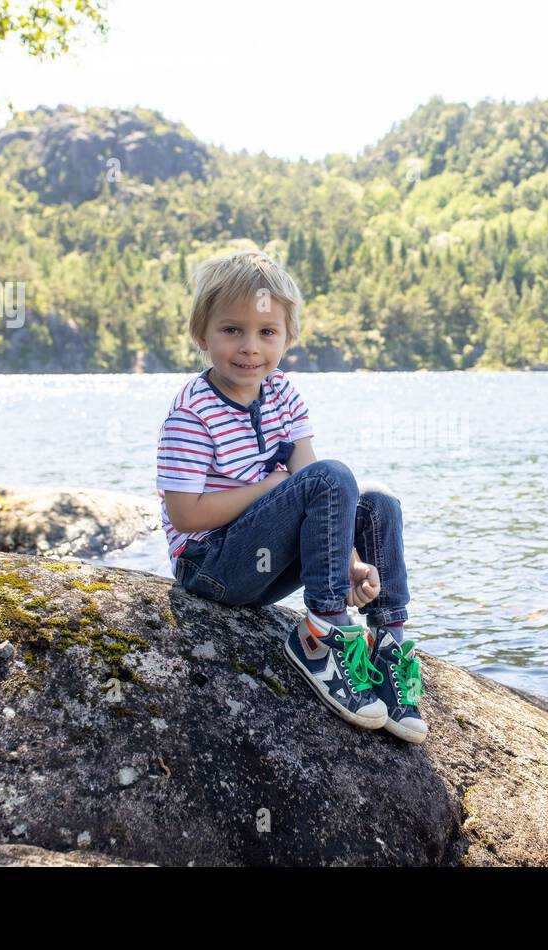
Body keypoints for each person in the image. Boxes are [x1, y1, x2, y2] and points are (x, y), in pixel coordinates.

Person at [154, 248, 426, 743]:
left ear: (287, 337)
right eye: (231, 329)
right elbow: (185, 514)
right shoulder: (191, 415)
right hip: (213, 567)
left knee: (376, 501)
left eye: (266, 332)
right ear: (202, 334)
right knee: (329, 476)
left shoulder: (282, 393)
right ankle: (321, 636)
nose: (250, 347)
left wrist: (351, 563)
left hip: (266, 556)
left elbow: (317, 479)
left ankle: (389, 644)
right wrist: (269, 487)